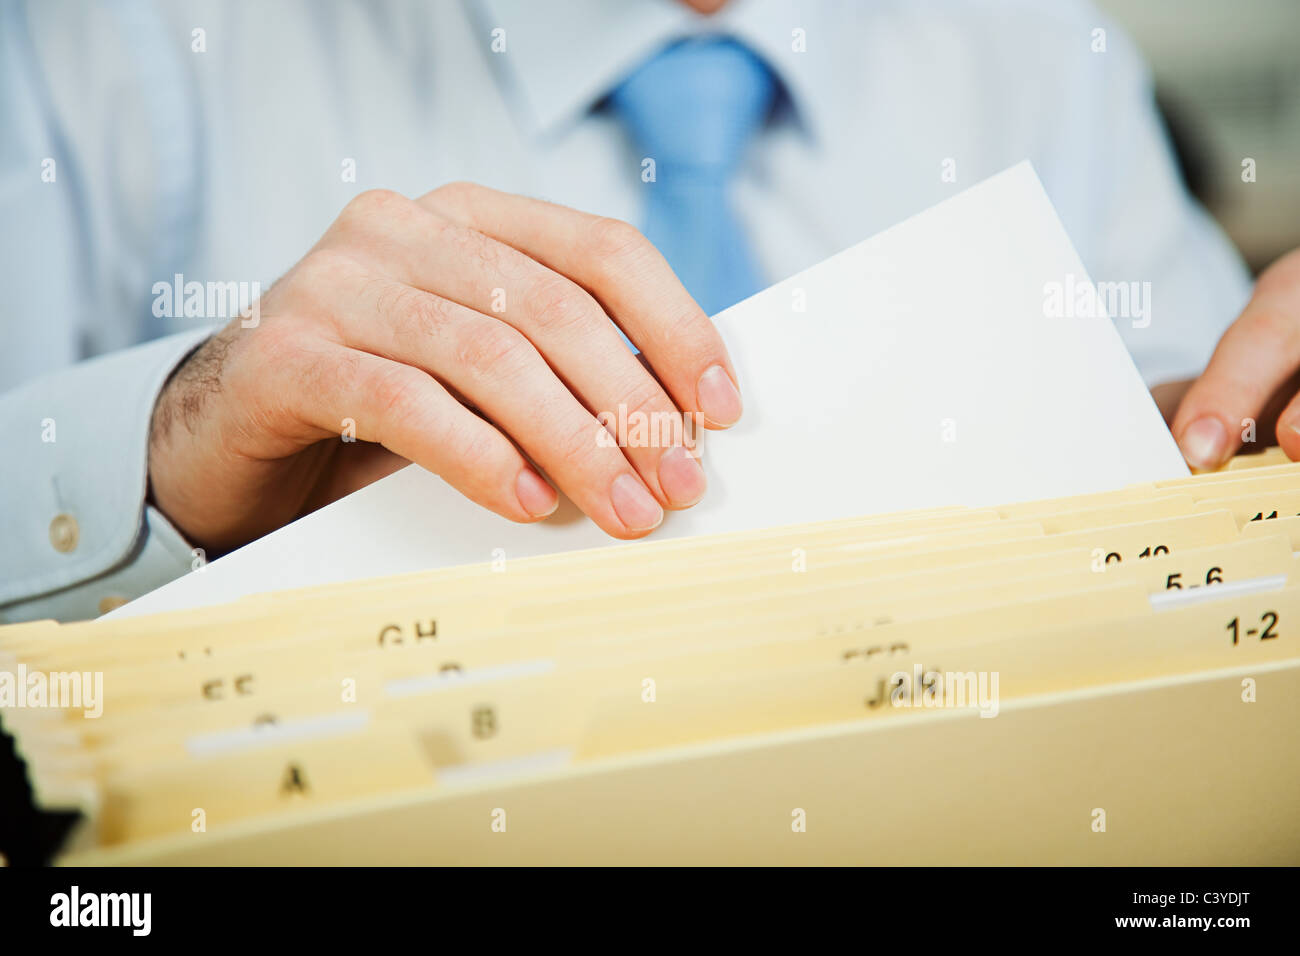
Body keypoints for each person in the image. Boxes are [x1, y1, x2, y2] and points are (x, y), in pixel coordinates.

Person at [0, 0, 1262, 622]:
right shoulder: (97, 46)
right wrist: (171, 450)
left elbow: (1194, 429)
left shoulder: (1037, 43)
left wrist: (1240, 440)